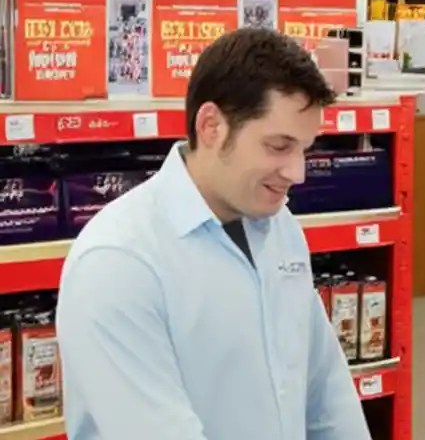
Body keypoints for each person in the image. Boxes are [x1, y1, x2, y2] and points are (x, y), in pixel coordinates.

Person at [56, 28, 371, 440]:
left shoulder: (280, 228)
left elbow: (324, 392)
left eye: (305, 149)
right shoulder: (118, 263)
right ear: (211, 126)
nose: (297, 172)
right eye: (278, 146)